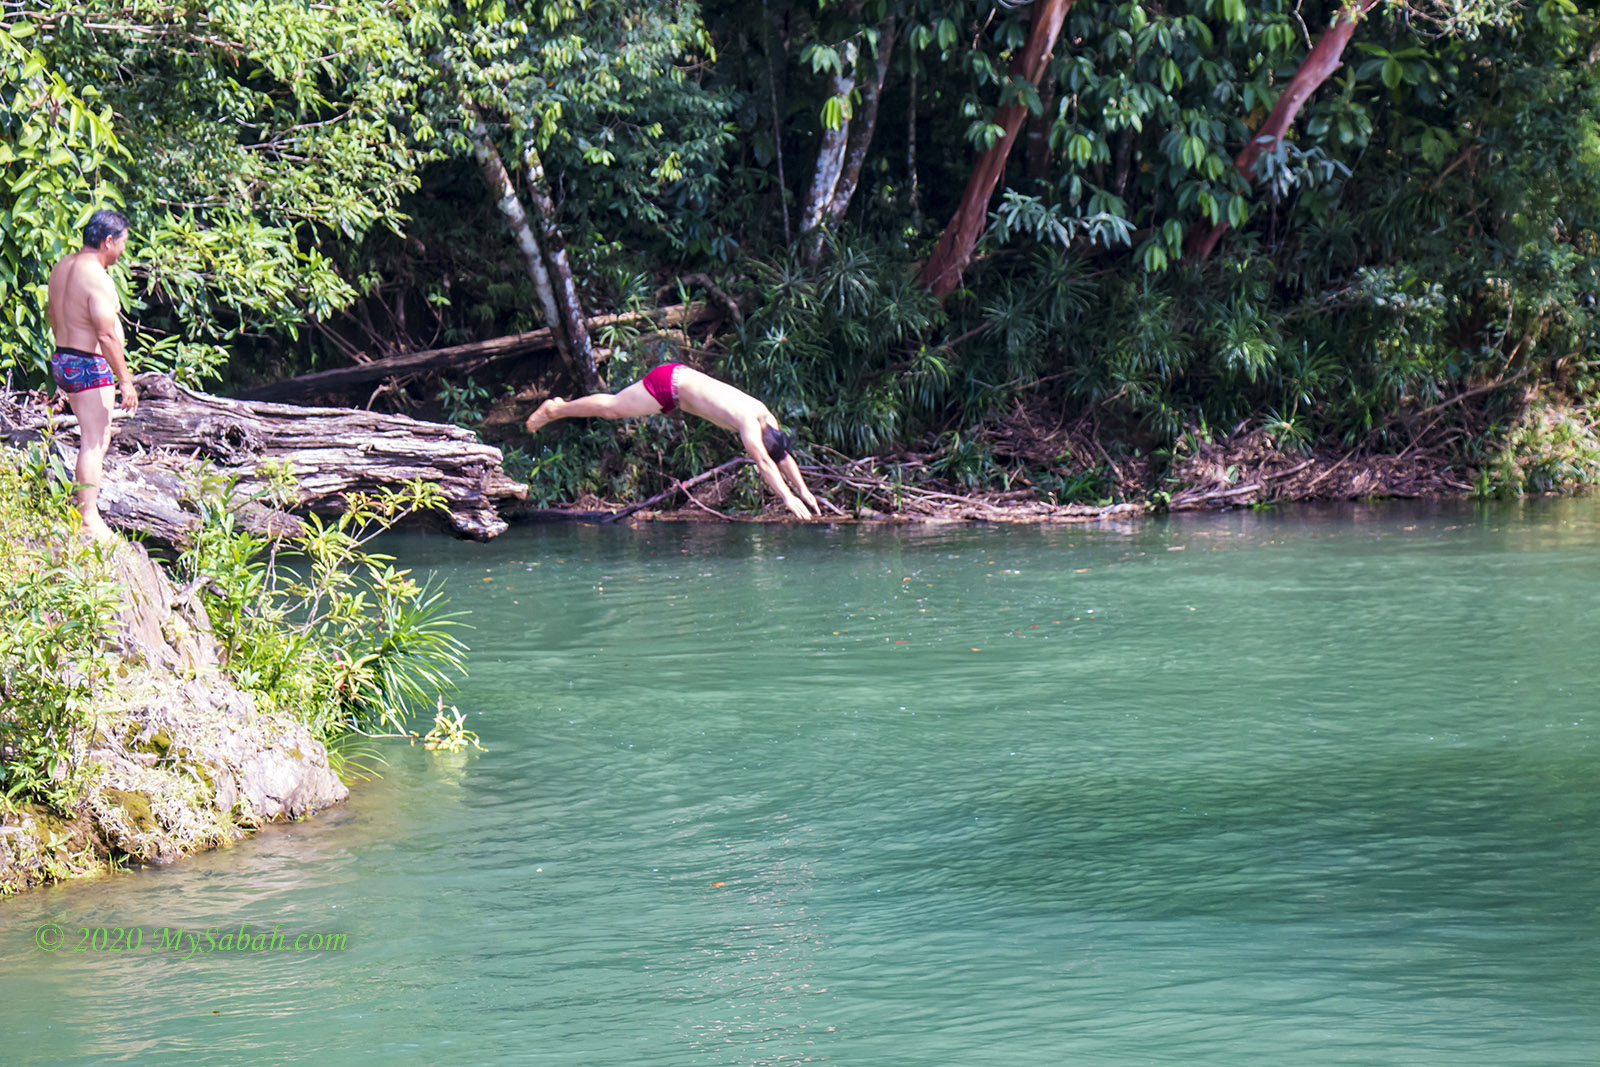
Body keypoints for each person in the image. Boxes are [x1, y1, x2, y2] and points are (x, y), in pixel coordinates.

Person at [524, 362, 822, 519]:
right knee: (613, 408)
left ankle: (558, 408)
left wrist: (804, 492)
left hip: (679, 382)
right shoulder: (749, 422)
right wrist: (786, 497)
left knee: (614, 409)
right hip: (670, 385)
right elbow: (764, 462)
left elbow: (782, 457)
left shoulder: (767, 419)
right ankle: (556, 409)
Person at [46, 208, 139, 541]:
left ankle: (82, 506)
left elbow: (53, 314)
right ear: (108, 241)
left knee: (96, 438)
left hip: (64, 358)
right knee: (95, 440)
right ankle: (87, 518)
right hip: (88, 363)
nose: (123, 250)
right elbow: (107, 335)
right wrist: (125, 380)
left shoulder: (62, 267)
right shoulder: (97, 278)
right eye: (123, 242)